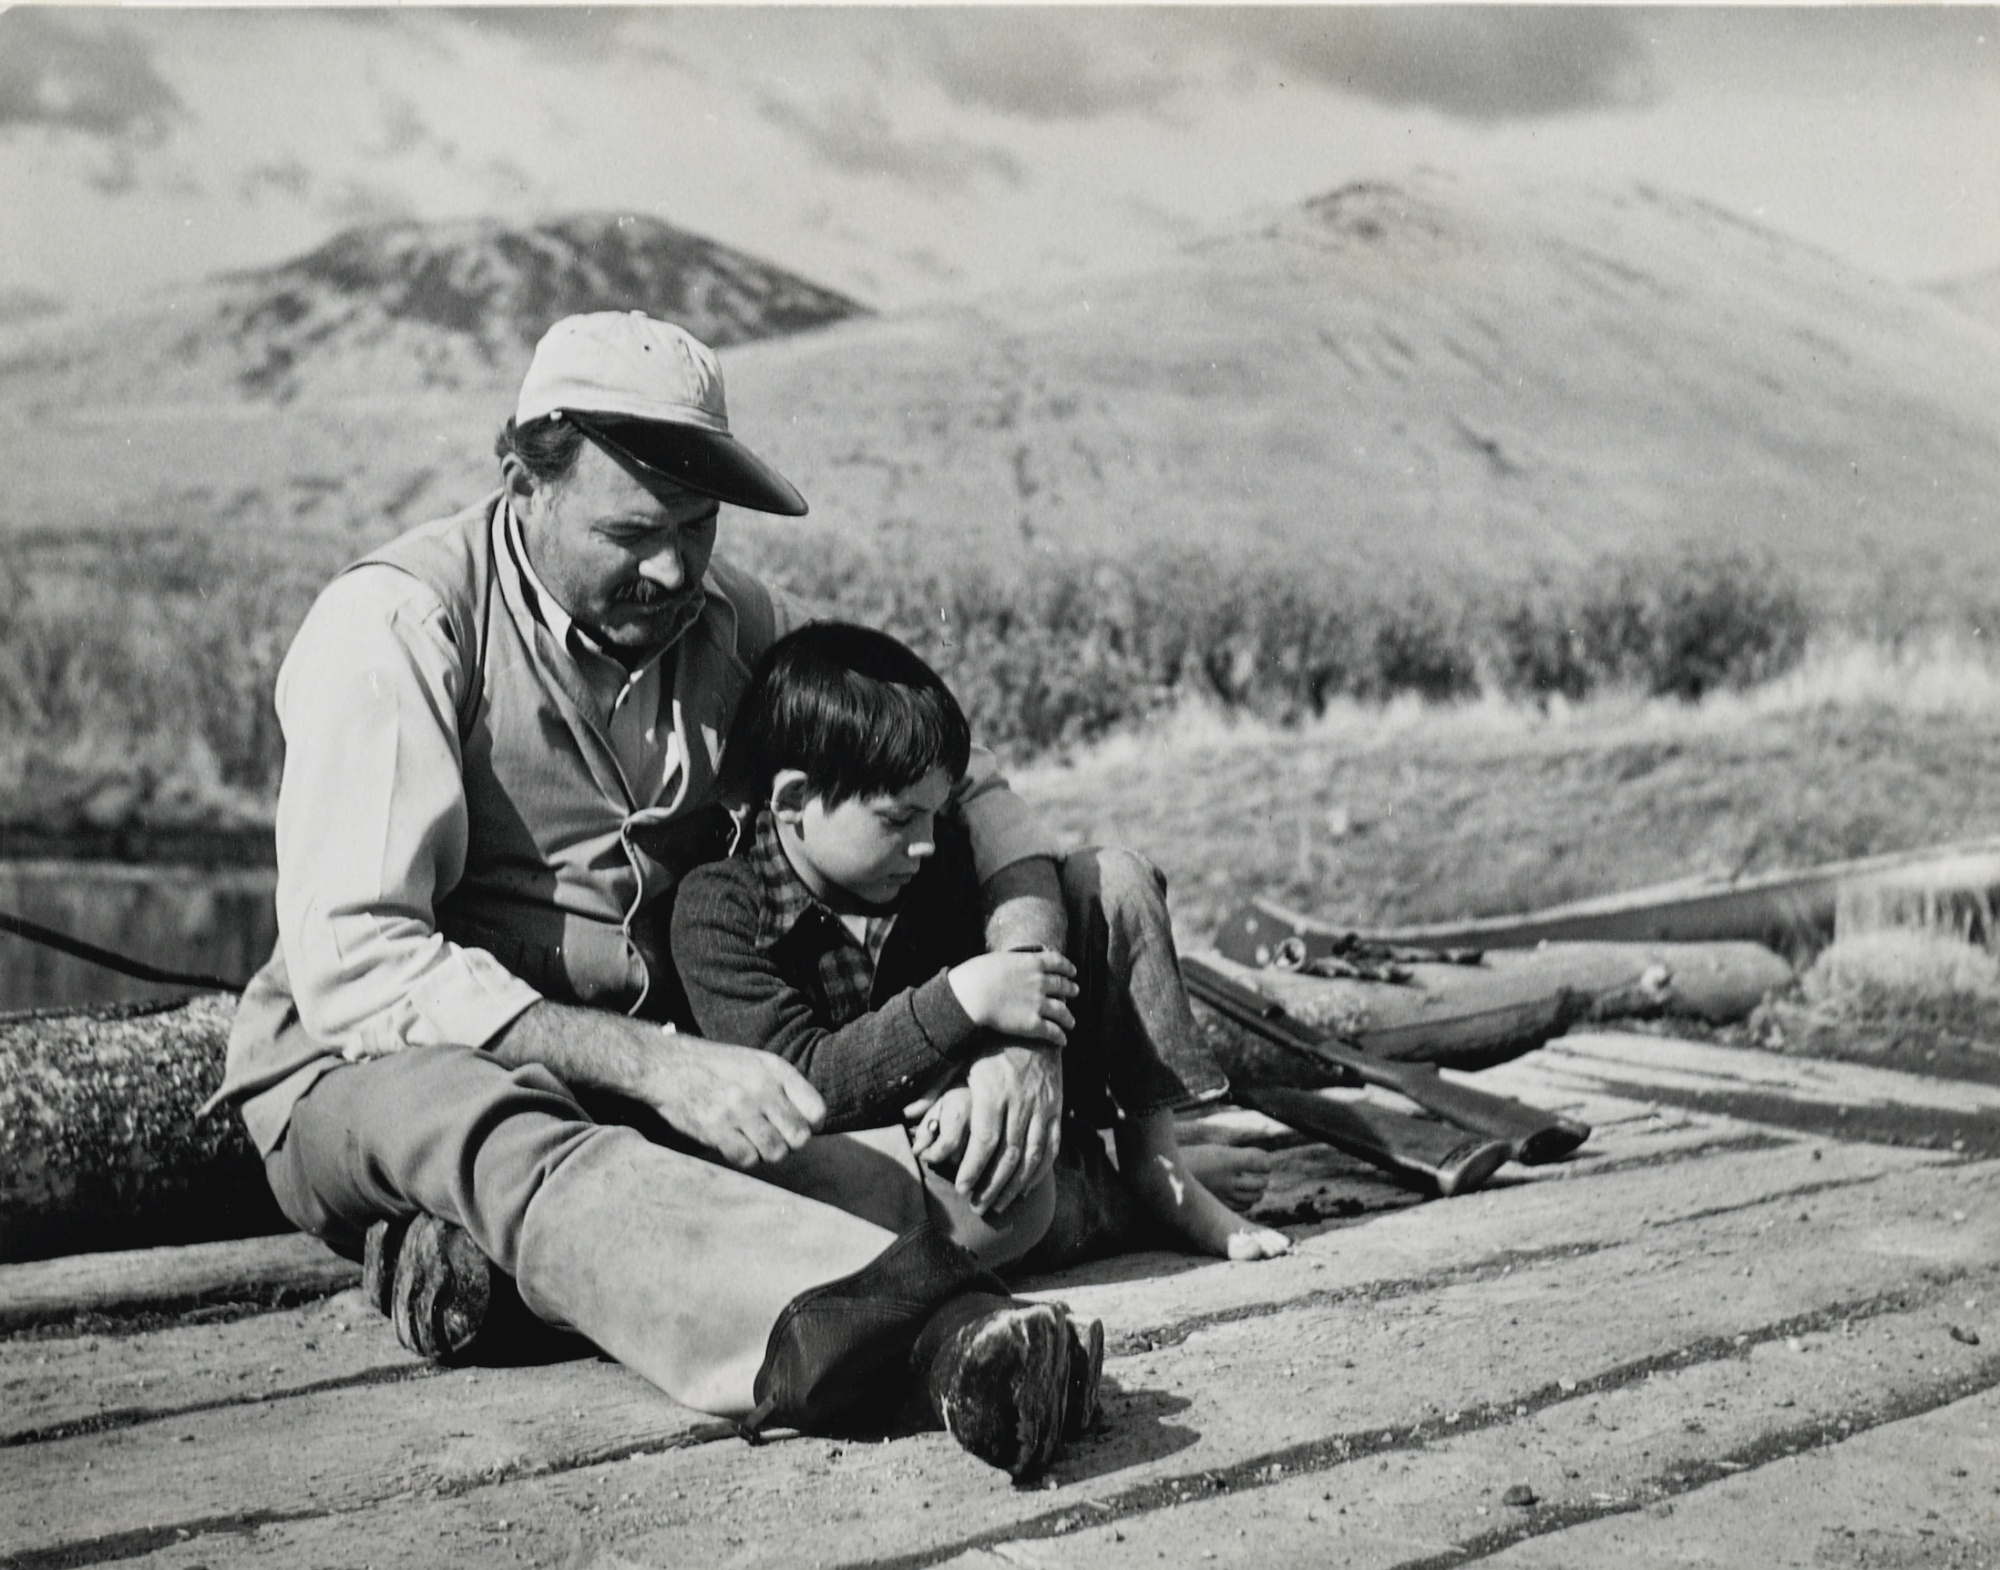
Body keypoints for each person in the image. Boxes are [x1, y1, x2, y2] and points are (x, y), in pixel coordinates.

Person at [207, 311, 1110, 1481]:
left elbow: (975, 793)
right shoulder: (396, 628)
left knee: (968, 1197)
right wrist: (657, 1067)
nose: (676, 569)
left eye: (697, 527)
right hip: (375, 1065)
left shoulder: (730, 621)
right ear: (522, 481)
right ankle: (942, 1348)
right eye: (634, 532)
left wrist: (1021, 1033)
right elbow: (358, 962)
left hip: (645, 1089)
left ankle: (479, 1272)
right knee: (514, 1141)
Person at [671, 622, 1292, 1270]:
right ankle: (1128, 1201)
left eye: (933, 815)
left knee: (1116, 881)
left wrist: (970, 1072)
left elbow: (1007, 1001)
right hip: (905, 1173)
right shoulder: (719, 913)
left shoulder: (928, 866)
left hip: (1005, 1112)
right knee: (1019, 1211)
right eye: (897, 819)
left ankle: (1158, 1165)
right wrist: (961, 1000)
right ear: (795, 799)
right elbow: (797, 1076)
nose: (924, 843)